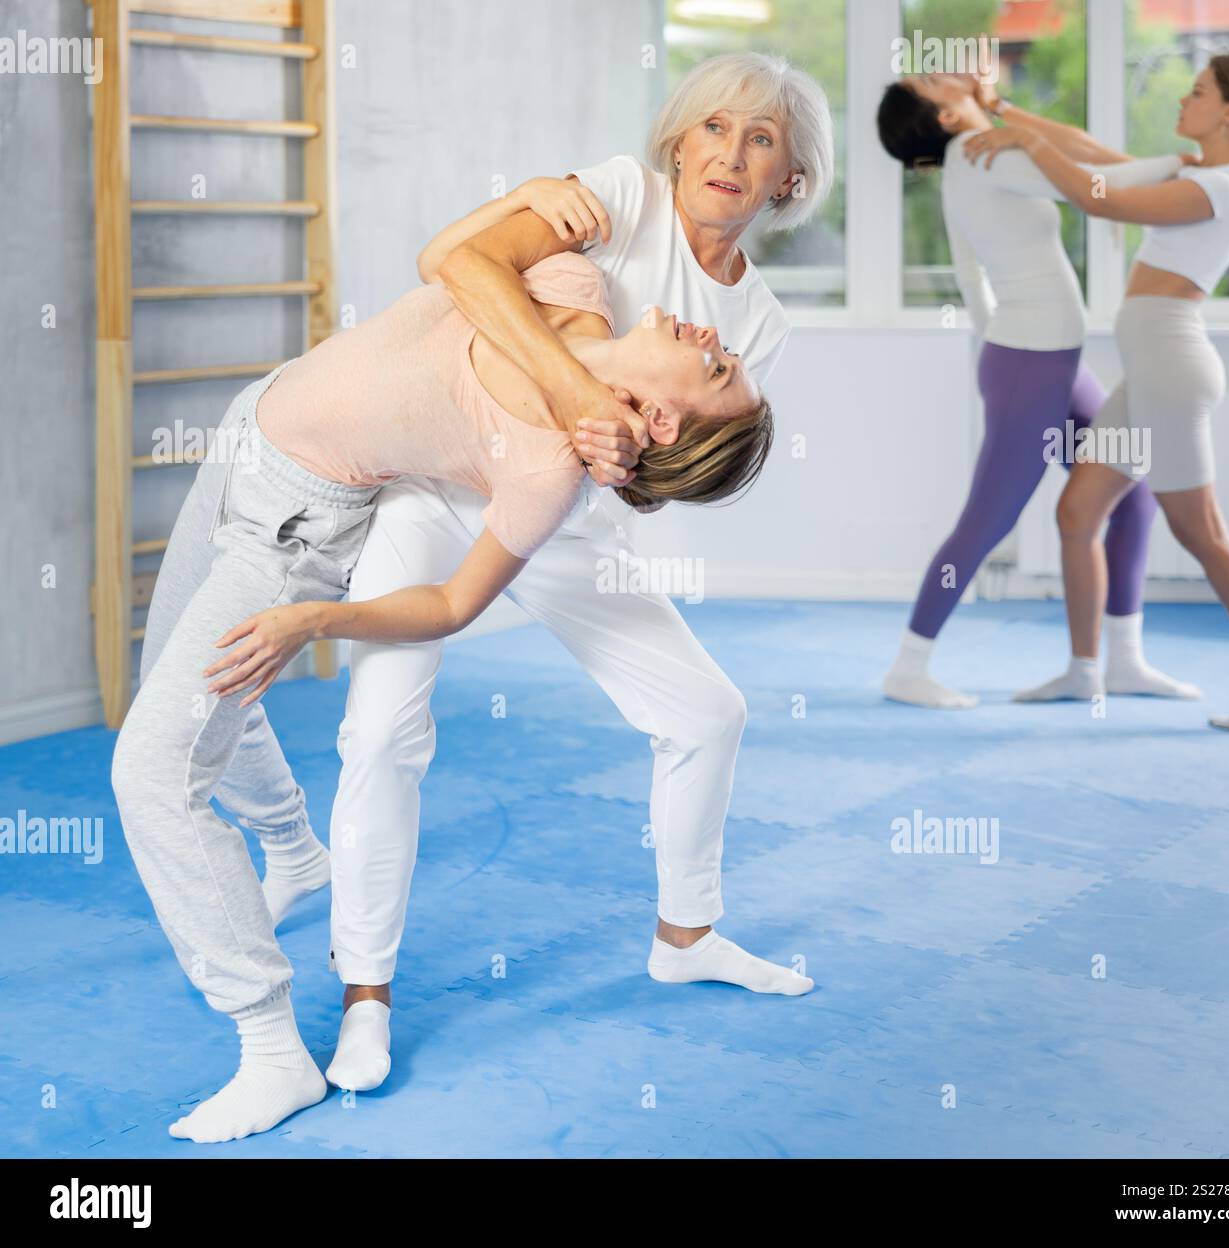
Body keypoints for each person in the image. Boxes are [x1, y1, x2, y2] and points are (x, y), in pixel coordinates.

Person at [111, 242, 770, 1144]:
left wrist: (313, 624)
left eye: (717, 367)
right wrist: (545, 221)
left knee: (151, 773)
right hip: (245, 435)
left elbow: (454, 603)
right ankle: (293, 849)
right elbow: (454, 257)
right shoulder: (569, 285)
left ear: (659, 418)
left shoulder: (547, 474)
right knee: (173, 698)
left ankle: (270, 1050)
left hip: (291, 531)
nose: (711, 336)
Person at [311, 52, 835, 1094]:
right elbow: (459, 269)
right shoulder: (618, 195)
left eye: (761, 139)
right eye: (713, 129)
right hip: (440, 483)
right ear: (677, 146)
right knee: (380, 728)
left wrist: (621, 460)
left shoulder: (759, 323)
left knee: (707, 713)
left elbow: (675, 466)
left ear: (789, 179)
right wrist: (573, 401)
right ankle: (364, 993)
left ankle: (684, 936)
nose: (730, 153)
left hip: (565, 517)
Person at [966, 54, 1229, 730]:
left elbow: (1099, 197)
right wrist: (1005, 110)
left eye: (1199, 91)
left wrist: (1024, 143)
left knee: (1201, 532)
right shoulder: (1194, 169)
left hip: (1172, 374)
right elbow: (1094, 157)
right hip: (1147, 373)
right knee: (1078, 511)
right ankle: (1087, 669)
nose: (1185, 97)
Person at [875, 72, 1197, 709]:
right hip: (1031, 364)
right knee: (988, 521)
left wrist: (994, 351)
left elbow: (972, 275)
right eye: (933, 80)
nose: (948, 71)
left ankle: (1118, 661)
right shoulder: (981, 153)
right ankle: (909, 666)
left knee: (1129, 492)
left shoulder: (982, 153)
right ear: (943, 117)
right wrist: (1181, 166)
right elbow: (1092, 185)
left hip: (1042, 361)